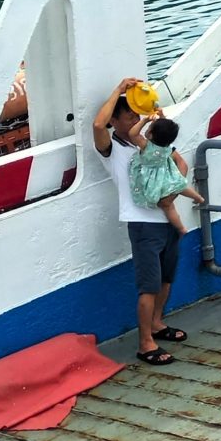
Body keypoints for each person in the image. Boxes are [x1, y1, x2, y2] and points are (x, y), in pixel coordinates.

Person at [92, 77, 190, 366]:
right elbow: (97, 126)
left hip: (166, 220)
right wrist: (118, 90)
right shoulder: (112, 149)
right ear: (115, 121)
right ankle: (145, 343)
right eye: (130, 117)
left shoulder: (147, 143)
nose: (136, 120)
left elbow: (180, 164)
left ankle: (157, 324)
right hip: (143, 224)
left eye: (138, 115)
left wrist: (170, 196)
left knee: (166, 279)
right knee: (149, 286)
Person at [130, 116, 204, 235]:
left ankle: (181, 229)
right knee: (180, 186)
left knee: (167, 207)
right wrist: (161, 117)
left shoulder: (147, 147)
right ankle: (198, 198)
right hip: (167, 175)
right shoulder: (167, 147)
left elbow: (133, 134)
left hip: (156, 181)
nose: (146, 130)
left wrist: (144, 120)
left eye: (149, 128)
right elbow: (166, 131)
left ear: (151, 135)